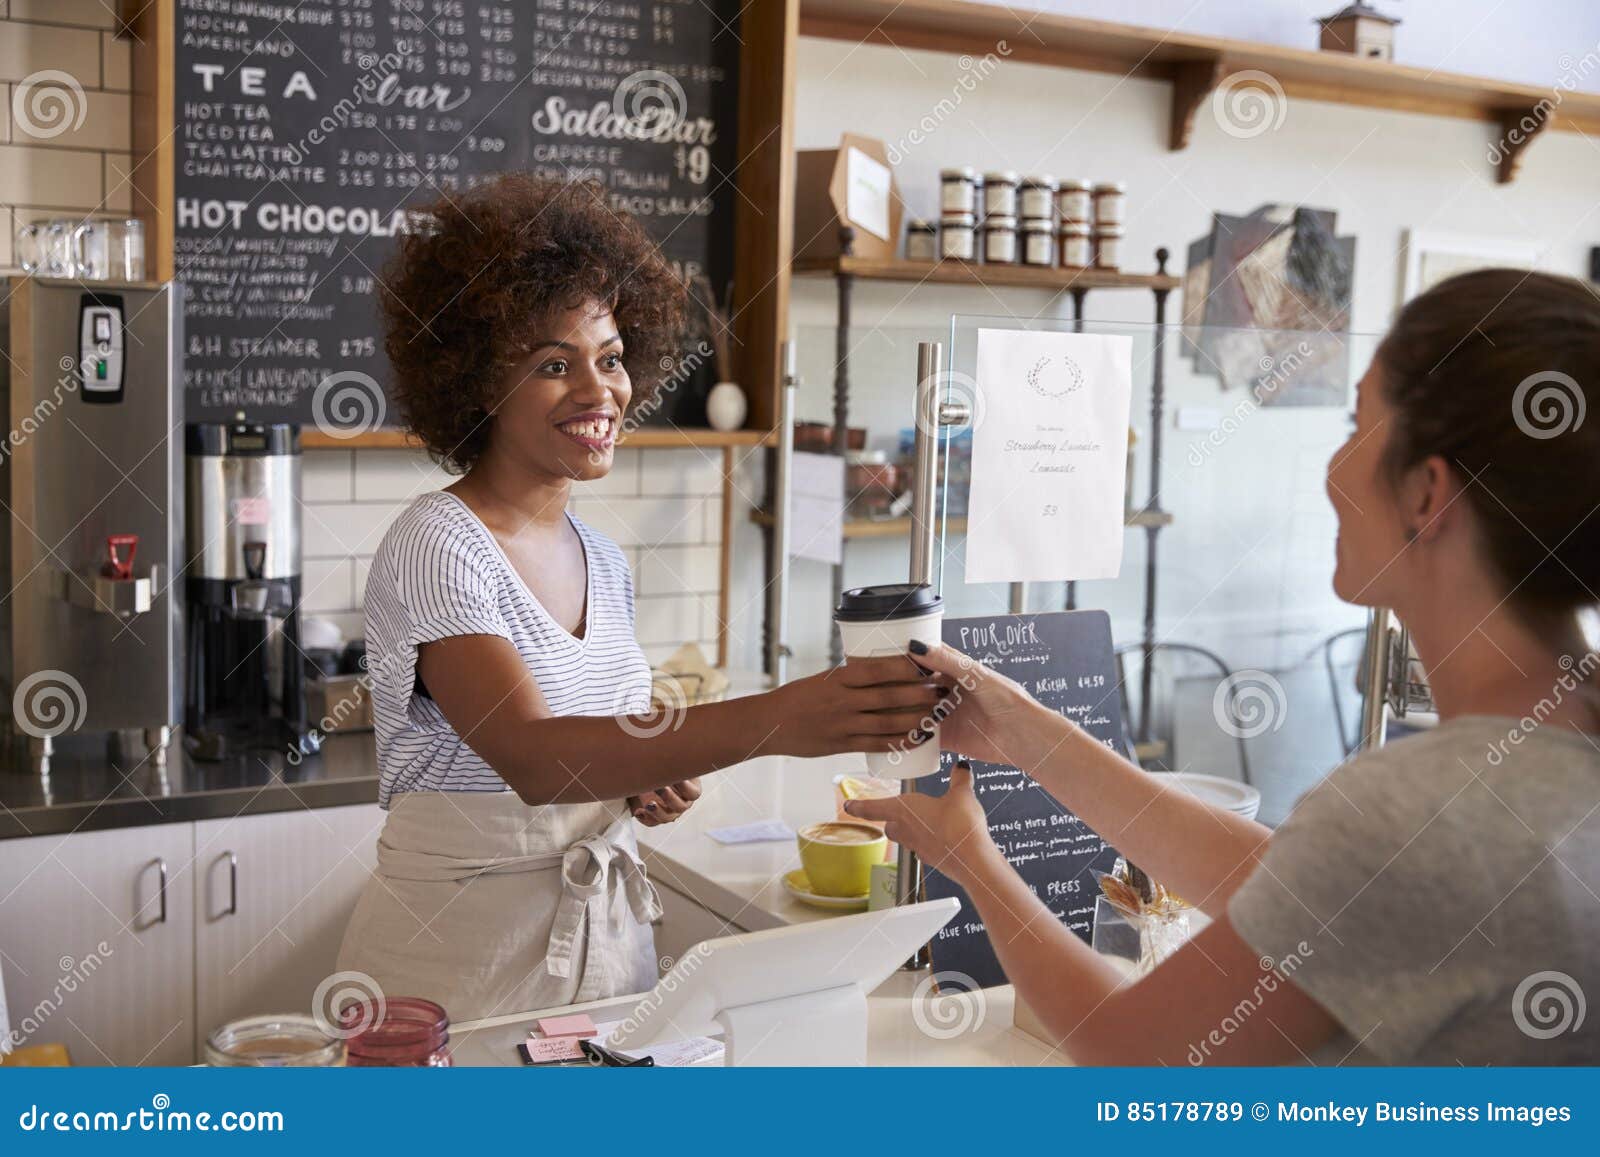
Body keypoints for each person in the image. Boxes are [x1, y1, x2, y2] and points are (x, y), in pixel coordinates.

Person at [849, 269, 1600, 1065]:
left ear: (1426, 494)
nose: (1334, 467)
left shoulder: (1412, 812)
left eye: (1355, 426)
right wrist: (1025, 728)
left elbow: (1136, 1060)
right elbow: (1295, 885)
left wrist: (972, 861)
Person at [337, 175, 940, 1022]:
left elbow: (598, 753)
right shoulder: (437, 541)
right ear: (476, 380)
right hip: (456, 974)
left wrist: (651, 778)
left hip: (608, 958)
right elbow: (536, 759)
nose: (599, 391)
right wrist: (777, 720)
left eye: (611, 358)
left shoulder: (605, 561)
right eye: (554, 364)